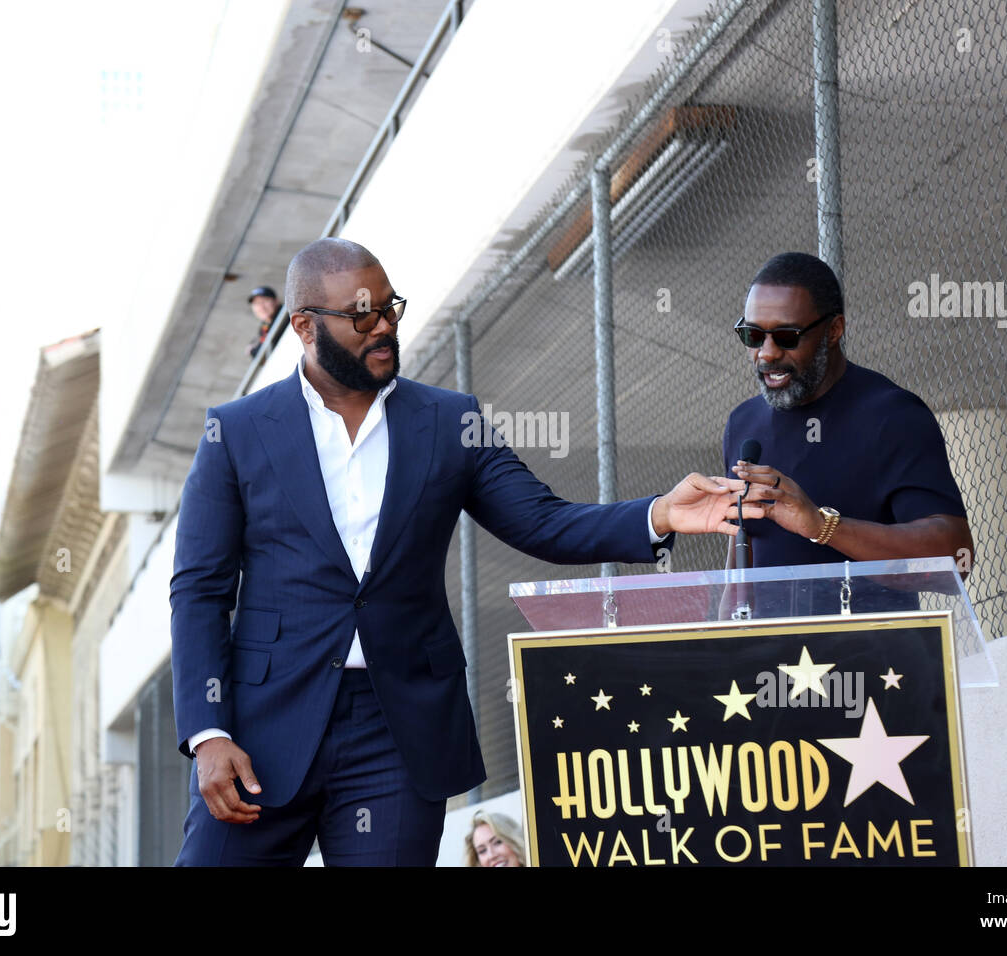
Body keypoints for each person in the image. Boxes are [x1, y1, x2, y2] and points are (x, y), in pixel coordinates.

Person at [171, 237, 744, 866]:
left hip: (397, 732)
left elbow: (543, 523)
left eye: (391, 308)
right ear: (305, 326)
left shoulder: (449, 421)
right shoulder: (236, 431)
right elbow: (199, 590)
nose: (384, 327)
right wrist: (208, 732)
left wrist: (659, 513)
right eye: (363, 316)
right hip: (261, 729)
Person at [720, 252, 973, 615]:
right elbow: (739, 556)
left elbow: (956, 559)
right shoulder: (743, 426)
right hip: (765, 663)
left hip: (871, 661)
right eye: (753, 334)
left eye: (787, 337)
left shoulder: (893, 416)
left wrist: (821, 525)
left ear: (834, 330)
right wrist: (723, 643)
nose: (767, 353)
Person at [246, 285, 282, 358]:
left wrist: (252, 351)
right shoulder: (265, 324)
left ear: (276, 301)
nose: (261, 307)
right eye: (256, 304)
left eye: (265, 301)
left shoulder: (285, 317)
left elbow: (263, 353)